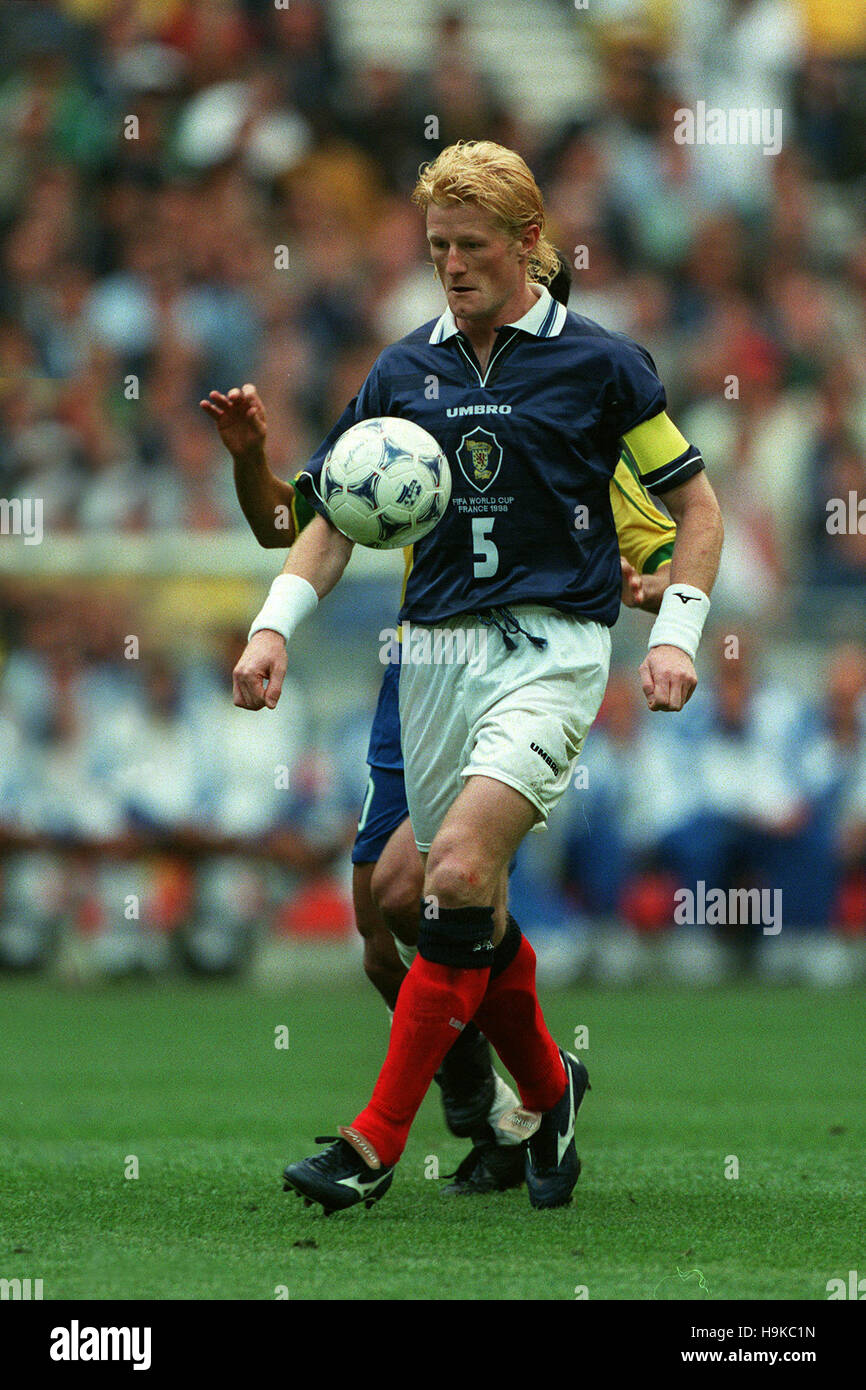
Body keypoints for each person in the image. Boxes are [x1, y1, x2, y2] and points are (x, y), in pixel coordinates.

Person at [226, 141, 723, 1212]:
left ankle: (370, 1145)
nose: (450, 266)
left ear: (528, 245)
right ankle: (548, 1091)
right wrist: (273, 628)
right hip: (433, 659)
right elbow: (321, 526)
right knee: (403, 896)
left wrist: (676, 630)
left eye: (472, 247)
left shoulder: (603, 365)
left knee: (453, 873)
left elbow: (695, 507)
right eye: (437, 247)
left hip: (550, 652)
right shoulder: (403, 372)